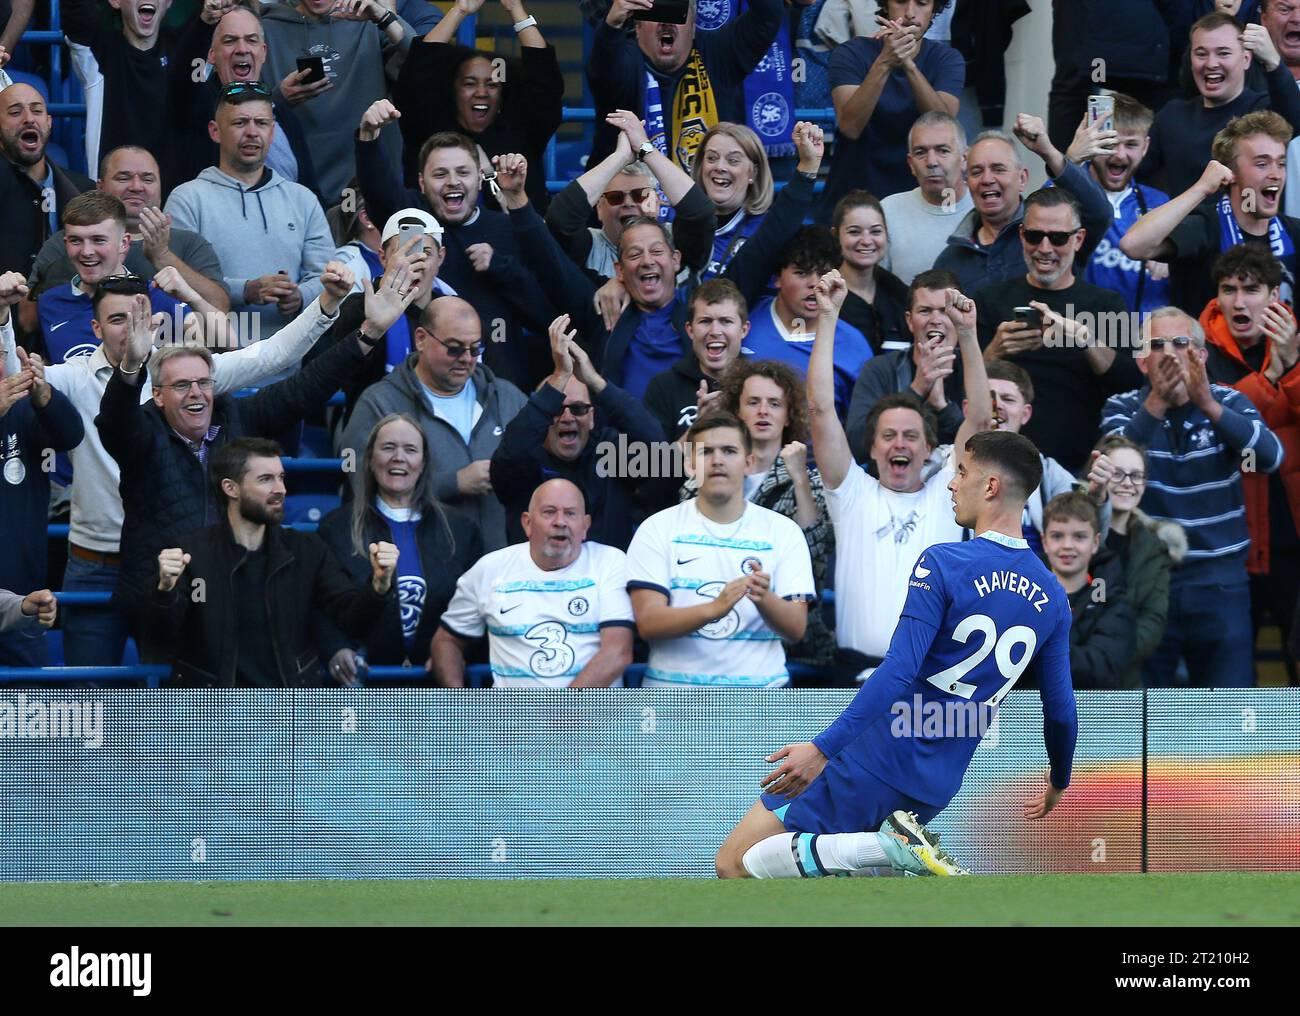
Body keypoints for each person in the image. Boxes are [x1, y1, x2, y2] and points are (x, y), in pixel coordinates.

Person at [714, 428, 1076, 880]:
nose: (950, 483)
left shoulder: (944, 562)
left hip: (874, 760)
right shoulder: (1053, 595)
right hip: (936, 786)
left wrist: (822, 749)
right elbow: (1060, 710)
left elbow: (899, 670)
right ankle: (886, 849)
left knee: (733, 864)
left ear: (990, 487)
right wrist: (1059, 780)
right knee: (844, 897)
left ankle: (887, 848)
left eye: (961, 472)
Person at [10, 261, 350, 669]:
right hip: (94, 563)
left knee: (175, 697)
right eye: (117, 319)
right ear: (96, 329)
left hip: (173, 566)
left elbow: (271, 355)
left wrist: (326, 304)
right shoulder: (72, 376)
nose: (128, 328)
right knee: (90, 696)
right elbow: (15, 380)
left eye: (137, 315)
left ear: (153, 319)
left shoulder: (185, 371)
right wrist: (1, 317)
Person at [97, 258, 415, 620]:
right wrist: (130, 369)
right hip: (160, 603)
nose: (196, 394)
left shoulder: (239, 416)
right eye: (182, 386)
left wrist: (369, 333)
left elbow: (305, 388)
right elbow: (113, 422)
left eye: (204, 383)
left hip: (232, 597)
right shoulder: (142, 430)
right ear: (157, 396)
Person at [500, 124, 825, 399]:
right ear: (619, 269)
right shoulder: (602, 308)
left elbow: (763, 241)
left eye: (656, 251)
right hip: (622, 454)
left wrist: (808, 170)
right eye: (633, 254)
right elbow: (547, 256)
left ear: (676, 258)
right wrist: (516, 200)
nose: (646, 261)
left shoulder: (704, 304)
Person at [809, 269, 992, 684]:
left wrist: (967, 334)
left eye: (911, 436)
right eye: (888, 436)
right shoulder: (851, 491)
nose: (899, 445)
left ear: (930, 449)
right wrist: (827, 317)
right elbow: (820, 411)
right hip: (852, 674)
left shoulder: (948, 492)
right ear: (871, 448)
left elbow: (980, 420)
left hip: (933, 678)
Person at [1101, 306, 1283, 686]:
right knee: (1145, 721)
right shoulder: (1121, 407)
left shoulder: (1228, 402)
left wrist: (1208, 406)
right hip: (1145, 581)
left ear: (1201, 355)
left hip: (1219, 582)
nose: (1169, 353)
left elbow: (1270, 458)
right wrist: (1156, 404)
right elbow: (1112, 475)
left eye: (1181, 343)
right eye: (1157, 345)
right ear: (1140, 361)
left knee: (1226, 716)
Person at [149, 437, 399, 686]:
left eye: (281, 477)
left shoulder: (307, 551)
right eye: (265, 479)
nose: (280, 489)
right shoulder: (193, 553)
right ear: (231, 488)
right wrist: (165, 591)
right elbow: (162, 634)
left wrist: (378, 586)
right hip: (213, 709)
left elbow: (351, 618)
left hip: (287, 709)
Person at [354, 110, 560, 387]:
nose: (452, 181)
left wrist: (503, 268)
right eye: (440, 174)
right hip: (420, 393)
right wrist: (368, 138)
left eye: (463, 172)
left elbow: (546, 317)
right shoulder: (414, 223)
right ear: (422, 183)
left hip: (498, 394)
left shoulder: (509, 229)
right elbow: (379, 194)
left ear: (479, 179)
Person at [626, 411, 815, 688]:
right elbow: (649, 623)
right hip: (673, 703)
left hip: (761, 703)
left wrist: (765, 599)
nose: (717, 461)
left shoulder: (784, 531)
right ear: (690, 464)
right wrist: (716, 607)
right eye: (706, 452)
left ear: (749, 463)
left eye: (729, 451)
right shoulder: (657, 528)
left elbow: (796, 628)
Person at [339, 295, 528, 553]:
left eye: (476, 349)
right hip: (423, 564)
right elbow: (363, 487)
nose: (466, 358)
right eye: (454, 348)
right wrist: (454, 482)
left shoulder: (507, 398)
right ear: (421, 339)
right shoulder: (380, 403)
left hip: (499, 566)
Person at [679, 359, 835, 668]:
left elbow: (815, 549)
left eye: (774, 403)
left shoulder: (810, 480)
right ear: (737, 411)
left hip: (793, 643)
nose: (764, 411)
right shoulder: (705, 477)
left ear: (789, 414)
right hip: (713, 633)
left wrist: (800, 479)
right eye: (753, 402)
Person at [975, 187, 1138, 474]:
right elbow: (960, 390)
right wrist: (992, 353)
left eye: (1059, 238)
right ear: (1022, 235)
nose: (1045, 249)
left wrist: (1086, 341)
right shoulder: (990, 299)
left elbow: (1132, 384)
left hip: (1081, 467)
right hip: (1000, 463)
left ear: (1079, 239)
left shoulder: (1107, 303)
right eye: (1035, 236)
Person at [316, 414, 484, 681]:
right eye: (388, 448)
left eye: (410, 449)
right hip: (364, 685)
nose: (399, 457)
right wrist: (335, 648)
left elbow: (479, 605)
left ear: (423, 462)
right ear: (370, 460)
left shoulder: (461, 530)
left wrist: (455, 652)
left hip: (436, 684)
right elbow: (319, 605)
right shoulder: (335, 528)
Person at [1198, 244, 1300, 680]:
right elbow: (1222, 421)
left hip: (1291, 532)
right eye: (1229, 289)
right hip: (1228, 537)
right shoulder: (1197, 347)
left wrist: (1291, 365)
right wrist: (1271, 377)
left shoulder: (1295, 343)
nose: (1239, 302)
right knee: (1231, 674)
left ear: (1276, 294)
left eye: (1252, 289)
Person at [165, 83, 335, 338]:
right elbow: (173, 278)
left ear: (273, 131)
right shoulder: (187, 199)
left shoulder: (303, 200)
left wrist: (300, 296)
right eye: (240, 123)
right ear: (215, 131)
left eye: (261, 123)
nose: (252, 132)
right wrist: (246, 290)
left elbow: (325, 275)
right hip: (211, 366)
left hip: (289, 365)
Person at [431, 478, 635, 687]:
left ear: (585, 526)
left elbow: (617, 652)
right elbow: (446, 641)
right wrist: (458, 702)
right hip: (511, 719)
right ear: (527, 523)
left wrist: (559, 716)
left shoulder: (610, 562)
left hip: (591, 719)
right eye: (549, 512)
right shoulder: (489, 570)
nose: (560, 521)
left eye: (570, 513)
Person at [490, 314, 665, 550]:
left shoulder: (610, 454)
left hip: (605, 583)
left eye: (579, 408)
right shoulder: (525, 462)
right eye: (555, 409)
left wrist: (595, 381)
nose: (568, 417)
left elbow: (656, 446)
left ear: (592, 417)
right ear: (542, 414)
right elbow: (510, 456)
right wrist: (560, 376)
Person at [1122, 110, 1300, 315]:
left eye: (1281, 164)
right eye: (1262, 164)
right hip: (1203, 346)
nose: (1275, 174)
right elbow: (1132, 245)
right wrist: (1202, 188)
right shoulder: (1204, 226)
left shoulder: (1295, 233)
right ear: (1230, 172)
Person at [393, 0, 563, 212]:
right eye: (470, 84)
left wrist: (516, 10)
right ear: (453, 91)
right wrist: (460, 10)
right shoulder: (428, 128)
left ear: (502, 95)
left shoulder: (521, 133)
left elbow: (545, 79)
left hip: (513, 241)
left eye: (492, 85)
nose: (481, 92)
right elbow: (419, 71)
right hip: (438, 242)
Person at [586, 0, 785, 170]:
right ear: (637, 28)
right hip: (629, 203)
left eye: (677, 13)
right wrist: (612, 23)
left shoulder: (719, 54)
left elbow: (767, 16)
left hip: (704, 205)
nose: (666, 22)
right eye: (657, 13)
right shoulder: (623, 63)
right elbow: (602, 69)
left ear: (693, 27)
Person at [27, 146, 228, 313]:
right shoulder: (68, 241)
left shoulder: (190, 243)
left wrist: (163, 256)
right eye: (123, 178)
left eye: (148, 179)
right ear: (100, 187)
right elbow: (29, 321)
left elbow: (220, 308)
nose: (136, 186)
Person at [303, 209, 455, 427]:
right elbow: (334, 374)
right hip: (370, 429)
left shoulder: (453, 312)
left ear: (441, 257)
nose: (414, 264)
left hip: (439, 432)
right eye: (404, 254)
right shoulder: (357, 308)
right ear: (382, 257)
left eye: (425, 254)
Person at [952, 359, 1115, 559]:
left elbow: (1090, 535)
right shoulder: (944, 466)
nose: (997, 406)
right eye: (988, 398)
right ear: (968, 409)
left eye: (1008, 399)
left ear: (1025, 413)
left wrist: (1098, 498)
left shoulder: (1049, 473)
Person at [934, 119, 1113, 296]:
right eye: (976, 172)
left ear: (1022, 179)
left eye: (998, 169)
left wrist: (1048, 152)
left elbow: (1099, 214)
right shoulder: (951, 258)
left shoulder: (1054, 235)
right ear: (968, 182)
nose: (987, 179)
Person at [260, 0, 415, 204]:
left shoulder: (370, 22)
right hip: (295, 186)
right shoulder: (266, 28)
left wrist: (384, 16)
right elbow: (241, 106)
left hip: (366, 185)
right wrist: (279, 99)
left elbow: (423, 62)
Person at [546, 113, 715, 299]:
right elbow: (559, 219)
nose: (628, 203)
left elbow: (701, 213)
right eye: (615, 197)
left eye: (640, 195)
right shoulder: (589, 246)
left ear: (657, 202)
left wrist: (646, 149)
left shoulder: (675, 241)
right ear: (599, 209)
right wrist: (620, 157)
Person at [0, 288, 83, 666]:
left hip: (24, 600)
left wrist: (45, 395)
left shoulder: (23, 409)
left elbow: (70, 435)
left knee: (26, 716)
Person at [820, 0, 964, 216]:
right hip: (854, 200)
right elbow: (850, 126)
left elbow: (941, 126)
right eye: (900, 1)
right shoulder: (850, 53)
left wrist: (908, 65)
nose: (910, 13)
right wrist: (885, 62)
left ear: (934, 9)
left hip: (920, 200)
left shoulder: (947, 59)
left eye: (922, 3)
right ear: (885, 5)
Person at [33, 192, 207, 366]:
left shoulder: (155, 295)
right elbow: (49, 366)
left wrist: (193, 297)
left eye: (98, 240)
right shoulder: (50, 302)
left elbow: (223, 342)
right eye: (76, 240)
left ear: (124, 243)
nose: (86, 251)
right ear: (65, 243)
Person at [1139, 11, 1300, 198]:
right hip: (1187, 225)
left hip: (1248, 225)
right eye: (1201, 54)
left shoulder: (1264, 110)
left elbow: (1295, 120)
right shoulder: (1172, 115)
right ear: (1190, 61)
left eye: (1223, 53)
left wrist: (1273, 63)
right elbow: (1131, 169)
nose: (1211, 63)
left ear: (1246, 59)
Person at [60, 0, 212, 197]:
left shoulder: (187, 45)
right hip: (112, 207)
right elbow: (76, 12)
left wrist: (210, 16)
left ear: (168, 3)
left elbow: (211, 27)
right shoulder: (99, 51)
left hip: (176, 207)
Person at [175, 5, 322, 199]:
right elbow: (184, 80)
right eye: (230, 41)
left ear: (263, 52)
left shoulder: (284, 117)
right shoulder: (199, 106)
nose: (242, 49)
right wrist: (205, 22)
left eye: (251, 40)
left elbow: (311, 196)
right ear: (211, 54)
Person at [742, 225, 874, 419]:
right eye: (802, 273)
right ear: (777, 278)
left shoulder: (855, 347)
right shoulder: (742, 322)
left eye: (823, 274)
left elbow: (861, 429)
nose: (815, 283)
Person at [1093, 433, 1186, 688]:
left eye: (1136, 475)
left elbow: (1152, 620)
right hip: (1070, 676)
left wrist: (1112, 655)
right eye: (1117, 474)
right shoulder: (1072, 533)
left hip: (1127, 681)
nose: (1127, 483)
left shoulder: (1156, 547)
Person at [846, 268, 966, 456]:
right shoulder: (879, 370)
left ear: (961, 318)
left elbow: (986, 448)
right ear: (909, 321)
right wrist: (916, 390)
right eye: (925, 311)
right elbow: (857, 443)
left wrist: (943, 408)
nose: (936, 320)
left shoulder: (977, 372)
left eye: (945, 311)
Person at [1073, 92, 1173, 314]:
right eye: (1111, 143)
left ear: (1145, 147)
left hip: (1143, 341)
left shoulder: (1160, 204)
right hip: (1078, 337)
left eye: (1130, 144)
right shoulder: (1068, 191)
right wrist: (1071, 161)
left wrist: (1172, 257)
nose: (1120, 155)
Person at [1039, 491, 1136, 689]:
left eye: (1079, 537)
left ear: (1095, 543)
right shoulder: (1020, 597)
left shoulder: (1112, 599)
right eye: (1057, 536)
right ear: (1044, 542)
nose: (1067, 546)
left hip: (1096, 715)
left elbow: (1104, 669)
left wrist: (1038, 652)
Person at [0, 82, 92, 279]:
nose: (29, 119)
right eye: (15, 113)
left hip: (67, 306)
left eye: (37, 111)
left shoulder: (84, 191)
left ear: (49, 122)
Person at [642, 278, 750, 441]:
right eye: (705, 321)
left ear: (744, 329)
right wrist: (699, 426)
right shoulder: (663, 388)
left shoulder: (761, 386)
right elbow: (654, 465)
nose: (715, 331)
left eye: (726, 321)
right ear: (690, 330)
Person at [879, 110, 973, 286]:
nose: (931, 161)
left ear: (964, 159)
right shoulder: (888, 211)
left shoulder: (986, 209)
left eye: (942, 150)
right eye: (921, 152)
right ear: (911, 163)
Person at [691, 122, 776, 280]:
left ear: (753, 173)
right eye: (711, 158)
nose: (720, 167)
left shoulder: (767, 229)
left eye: (733, 161)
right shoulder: (677, 218)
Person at [832, 189, 910, 354]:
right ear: (835, 235)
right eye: (854, 232)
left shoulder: (901, 295)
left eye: (876, 231)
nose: (867, 241)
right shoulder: (824, 297)